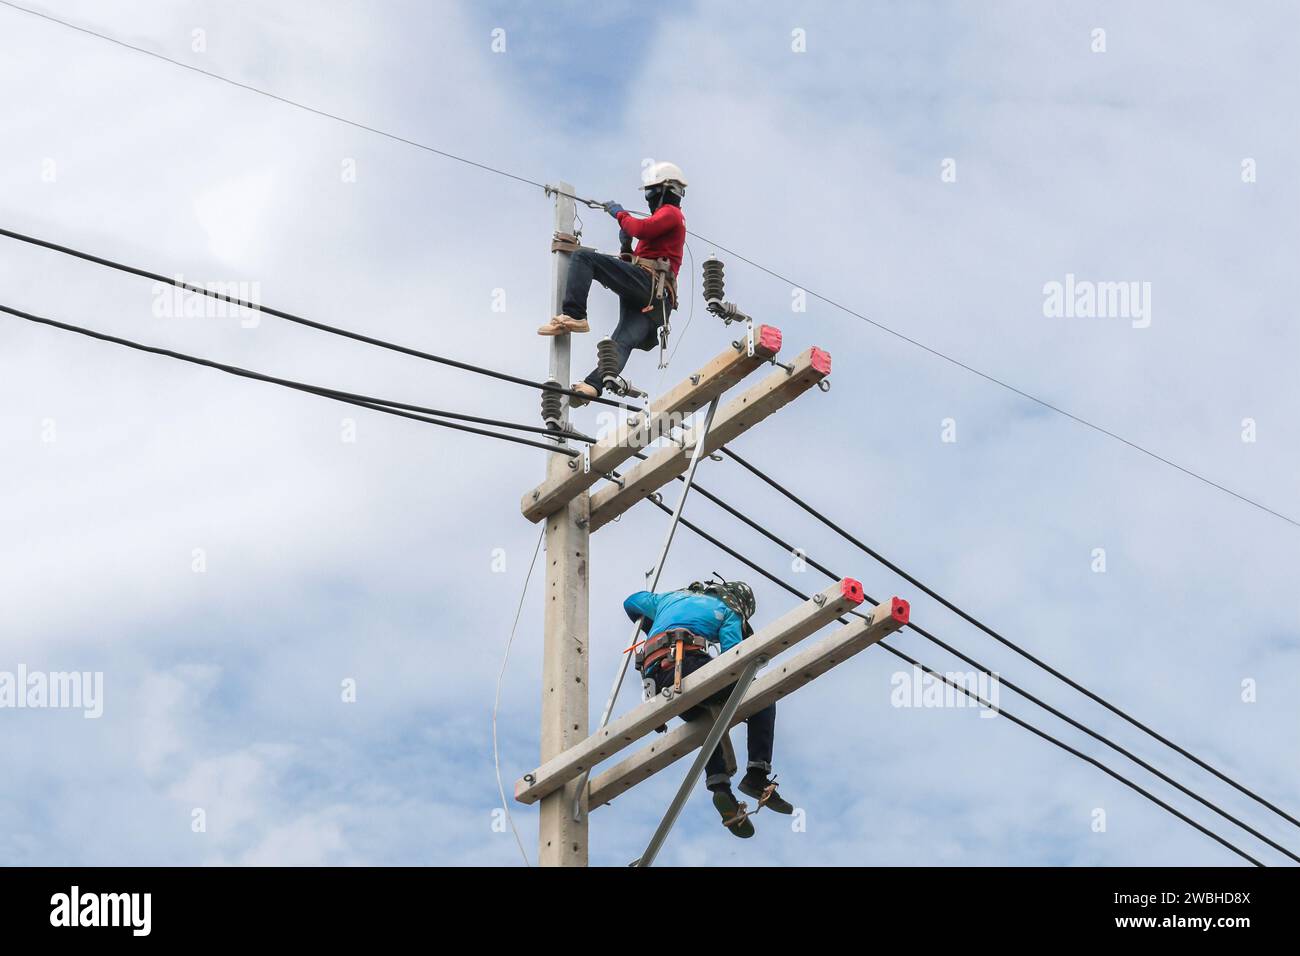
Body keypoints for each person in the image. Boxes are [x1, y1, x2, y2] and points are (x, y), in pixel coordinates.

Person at [622, 578, 794, 838]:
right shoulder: (728, 610)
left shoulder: (667, 598)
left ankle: (720, 788)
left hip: (654, 680)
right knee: (762, 695)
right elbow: (734, 657)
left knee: (706, 722)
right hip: (687, 663)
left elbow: (631, 601)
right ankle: (757, 774)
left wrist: (652, 629)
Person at [538, 161, 688, 401]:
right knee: (623, 340)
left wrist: (619, 213)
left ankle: (575, 315)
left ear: (663, 191)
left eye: (650, 192)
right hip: (655, 301)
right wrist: (626, 246)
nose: (648, 198)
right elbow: (637, 256)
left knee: (584, 259)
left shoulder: (671, 213)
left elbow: (639, 228)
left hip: (651, 287)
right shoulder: (665, 223)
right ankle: (592, 386)